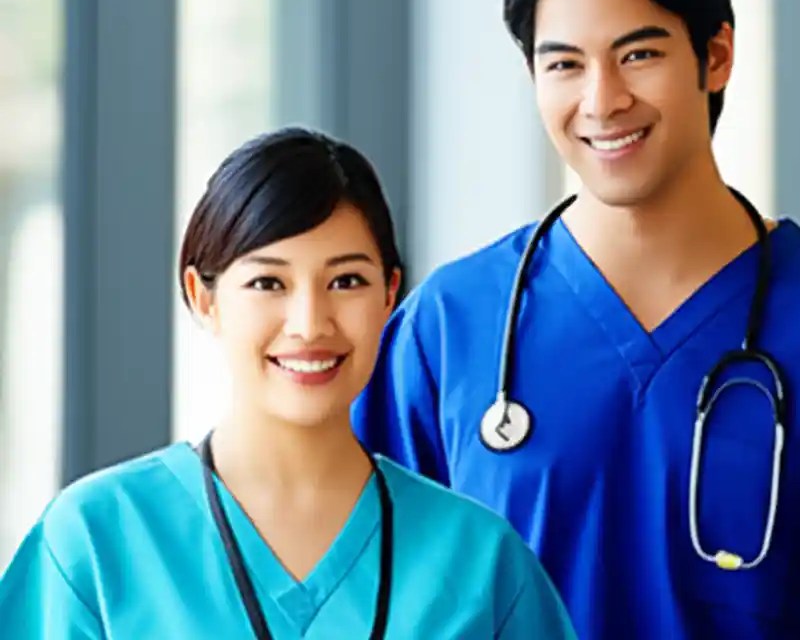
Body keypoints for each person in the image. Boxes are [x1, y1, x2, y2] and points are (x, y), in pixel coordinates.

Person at [349, 0, 800, 638]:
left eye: (638, 54)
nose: (603, 99)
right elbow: (352, 581)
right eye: (564, 65)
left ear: (715, 56)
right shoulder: (453, 327)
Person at [0, 128, 577, 639]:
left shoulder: (481, 563)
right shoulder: (96, 542)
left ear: (389, 294)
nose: (309, 324)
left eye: (347, 280)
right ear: (204, 298)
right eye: (268, 284)